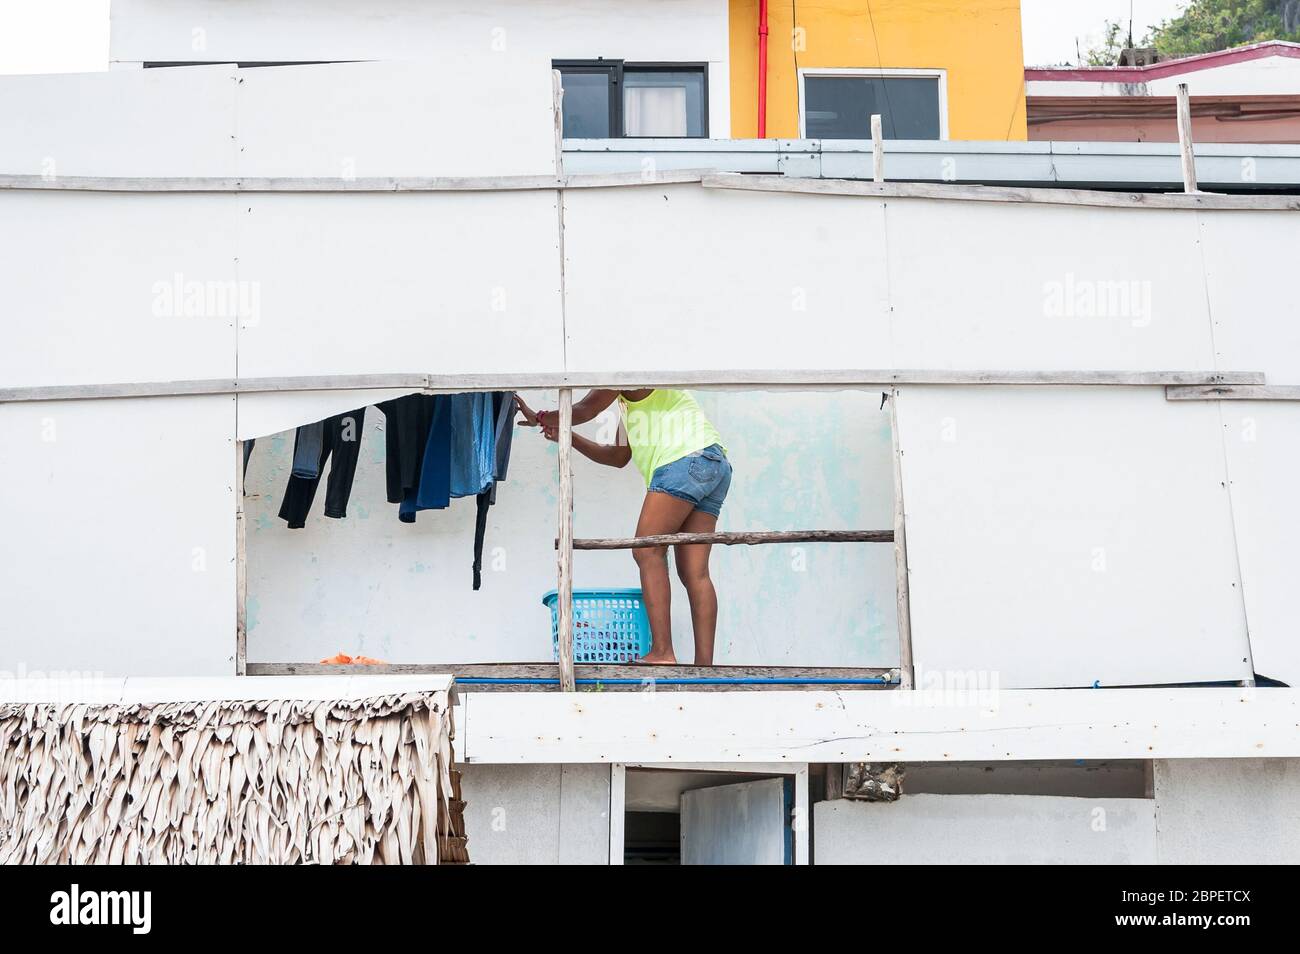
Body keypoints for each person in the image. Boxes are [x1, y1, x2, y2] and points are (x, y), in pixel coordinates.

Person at [523, 389, 731, 665]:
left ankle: (662, 653)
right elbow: (618, 457)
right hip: (713, 464)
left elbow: (586, 409)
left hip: (683, 462)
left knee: (646, 551)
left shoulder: (628, 373)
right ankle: (705, 668)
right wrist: (567, 437)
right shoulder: (635, 402)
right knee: (695, 572)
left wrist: (539, 416)